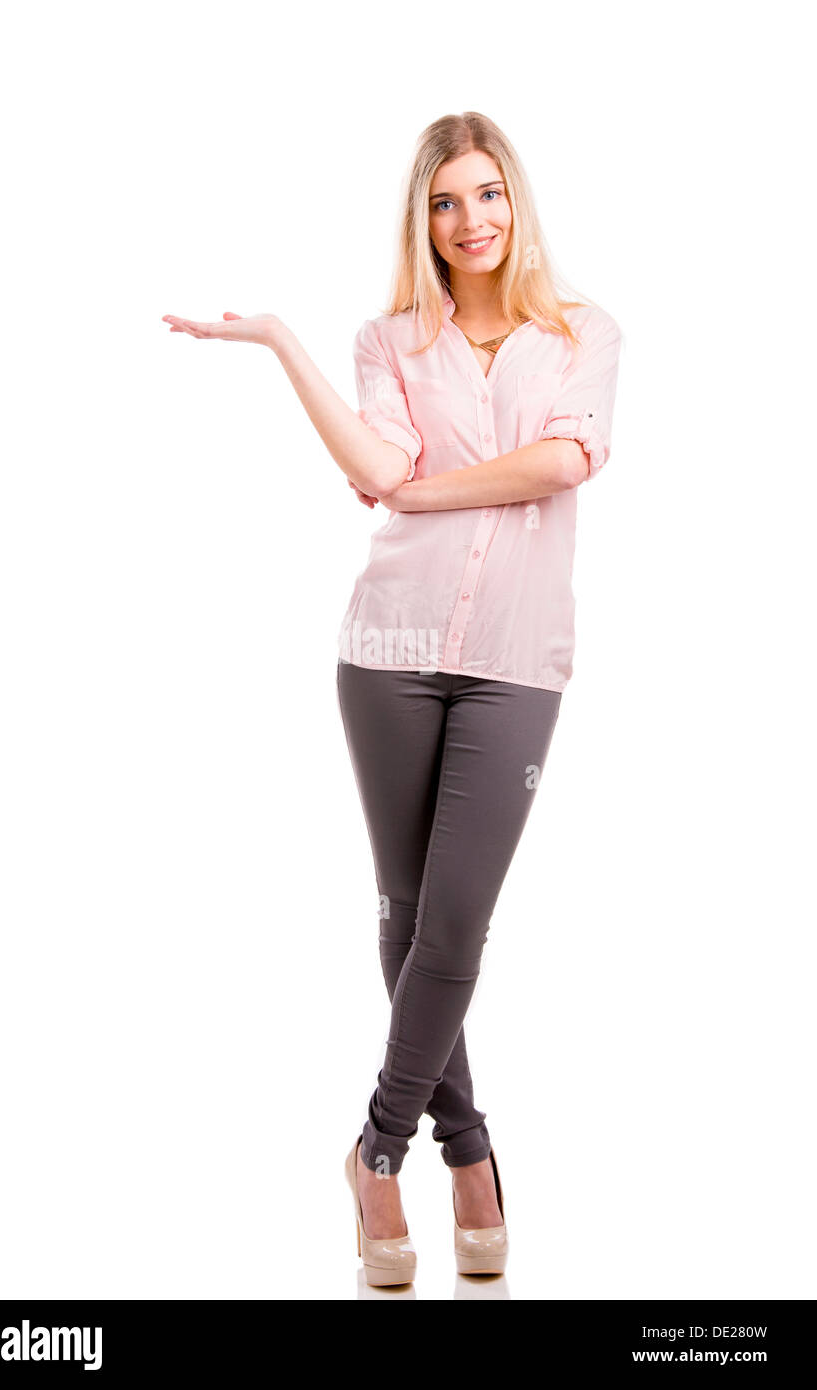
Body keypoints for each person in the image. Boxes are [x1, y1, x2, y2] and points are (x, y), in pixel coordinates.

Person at [163, 111, 623, 1287]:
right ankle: (469, 1153)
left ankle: (376, 1151)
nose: (468, 221)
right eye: (442, 202)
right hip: (388, 649)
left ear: (514, 202)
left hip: (517, 660)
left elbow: (563, 462)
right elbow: (372, 471)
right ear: (421, 219)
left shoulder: (581, 334)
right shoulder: (388, 341)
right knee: (409, 911)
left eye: (485, 195)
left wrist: (424, 491)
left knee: (455, 924)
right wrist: (277, 339)